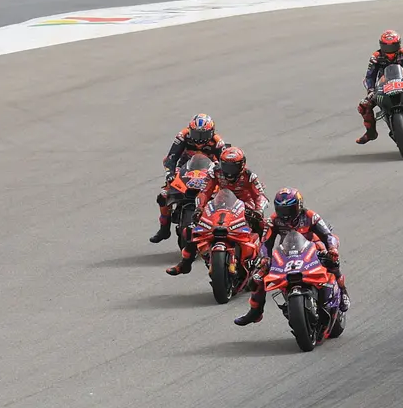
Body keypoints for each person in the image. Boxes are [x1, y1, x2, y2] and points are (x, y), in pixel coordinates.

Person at [234, 187, 351, 326]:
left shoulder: (310, 216)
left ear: (299, 206)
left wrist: (332, 249)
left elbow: (328, 235)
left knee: (332, 261)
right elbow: (266, 242)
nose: (285, 214)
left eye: (289, 210)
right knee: (258, 277)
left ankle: (343, 292)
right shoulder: (274, 220)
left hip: (313, 248)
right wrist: (265, 258)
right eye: (281, 210)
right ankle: (255, 312)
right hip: (287, 253)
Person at [166, 147, 268, 276]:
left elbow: (260, 196)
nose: (229, 172)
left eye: (233, 167)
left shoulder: (250, 176)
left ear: (242, 165)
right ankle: (185, 264)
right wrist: (199, 208)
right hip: (223, 203)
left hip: (246, 205)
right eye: (226, 166)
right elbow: (204, 191)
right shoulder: (215, 172)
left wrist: (258, 211)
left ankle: (264, 260)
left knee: (263, 226)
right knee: (191, 230)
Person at [150, 114, 226, 243]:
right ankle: (164, 228)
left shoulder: (218, 142)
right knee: (163, 196)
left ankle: (222, 225)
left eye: (203, 135)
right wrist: (170, 173)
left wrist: (222, 175)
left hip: (209, 171)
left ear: (211, 132)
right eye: (196, 134)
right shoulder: (183, 136)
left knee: (224, 194)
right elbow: (170, 158)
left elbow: (225, 161)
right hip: (185, 169)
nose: (199, 139)